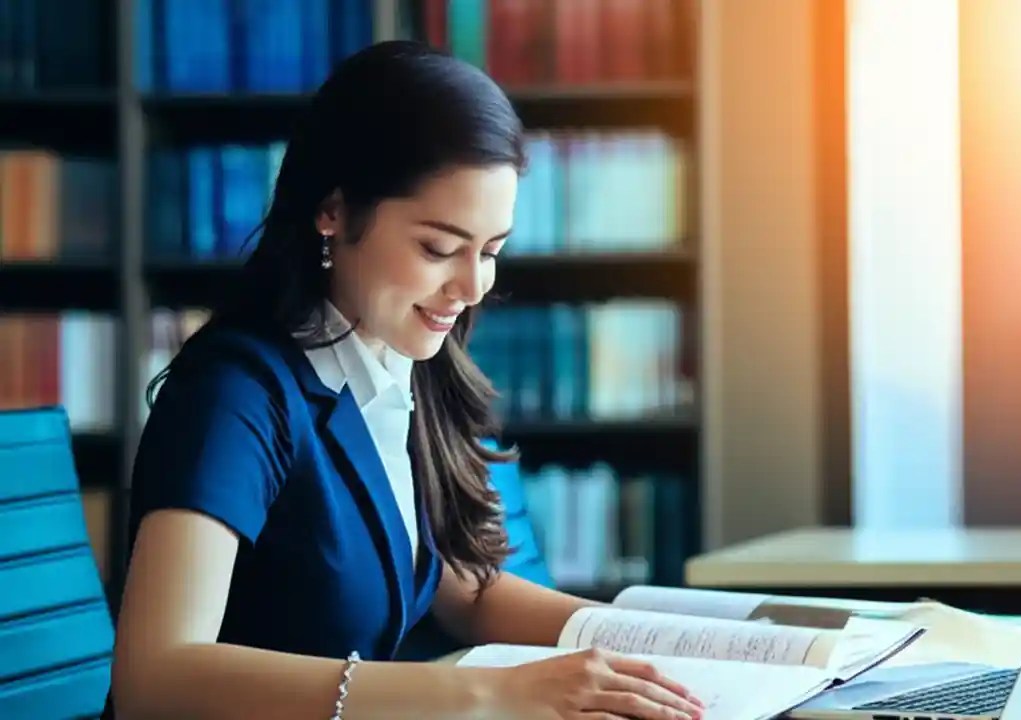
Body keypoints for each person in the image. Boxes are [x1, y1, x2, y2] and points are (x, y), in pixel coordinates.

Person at [108, 41, 705, 720]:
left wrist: (670, 651)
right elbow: (155, 678)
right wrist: (486, 696)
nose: (473, 286)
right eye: (439, 249)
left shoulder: (403, 369)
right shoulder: (234, 397)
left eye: (492, 251)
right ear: (332, 211)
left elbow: (467, 593)